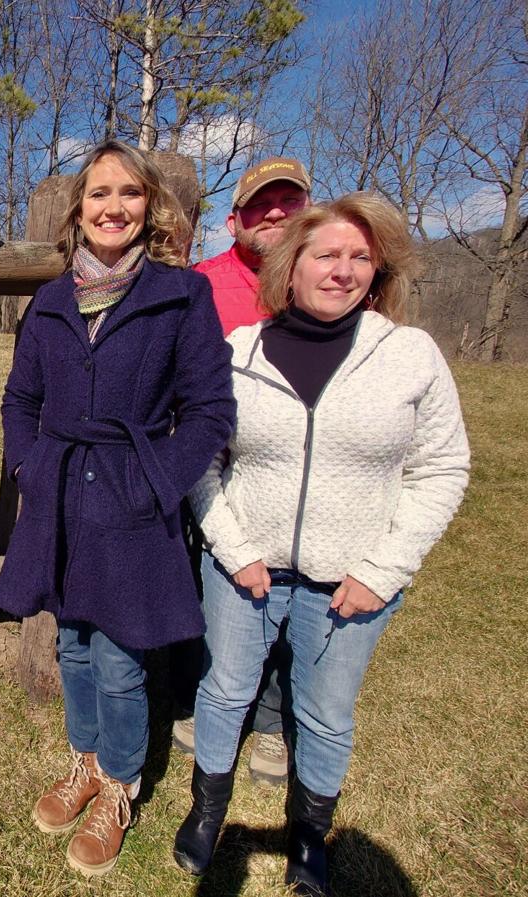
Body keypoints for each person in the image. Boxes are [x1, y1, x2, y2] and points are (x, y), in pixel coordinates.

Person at [173, 193, 470, 896]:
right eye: (327, 254)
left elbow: (442, 469)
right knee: (224, 690)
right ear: (292, 265)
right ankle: (207, 810)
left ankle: (309, 835)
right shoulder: (238, 353)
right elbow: (202, 462)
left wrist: (383, 570)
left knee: (325, 713)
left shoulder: (409, 356)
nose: (343, 270)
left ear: (377, 270)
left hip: (352, 581)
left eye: (360, 257)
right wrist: (234, 548)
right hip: (245, 568)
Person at [0, 139, 235, 877]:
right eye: (100, 193)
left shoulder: (181, 296)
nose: (113, 207)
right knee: (71, 647)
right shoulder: (51, 302)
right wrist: (30, 466)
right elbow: (19, 399)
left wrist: (158, 480)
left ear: (149, 206)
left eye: (129, 193)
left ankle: (119, 786)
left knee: (122, 659)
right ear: (79, 209)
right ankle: (86, 763)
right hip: (61, 496)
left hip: (132, 500)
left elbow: (210, 411)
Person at [171, 157, 313, 786]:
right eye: (260, 204)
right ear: (234, 221)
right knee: (206, 587)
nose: (275, 213)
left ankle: (273, 721)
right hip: (207, 465)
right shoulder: (200, 284)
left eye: (289, 202)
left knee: (290, 593)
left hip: (291, 473)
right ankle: (201, 698)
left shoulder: (326, 284)